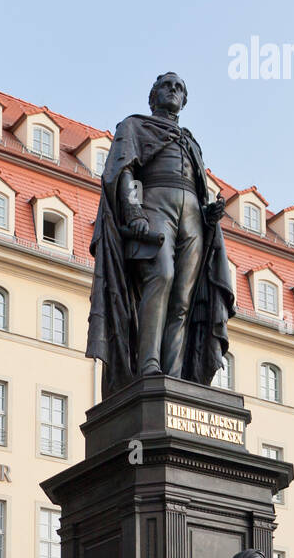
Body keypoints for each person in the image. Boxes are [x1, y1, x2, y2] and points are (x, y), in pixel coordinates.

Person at [87, 71, 236, 394]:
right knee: (162, 276)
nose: (173, 90)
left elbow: (199, 186)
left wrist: (210, 215)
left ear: (184, 100)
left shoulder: (191, 141)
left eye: (180, 87)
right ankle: (149, 365)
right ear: (153, 96)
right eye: (167, 85)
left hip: (193, 215)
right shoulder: (134, 126)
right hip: (156, 202)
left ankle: (175, 373)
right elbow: (121, 170)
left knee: (184, 296)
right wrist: (133, 210)